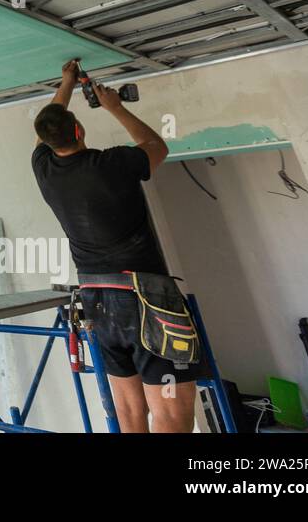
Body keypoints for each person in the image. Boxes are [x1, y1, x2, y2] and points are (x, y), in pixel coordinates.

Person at [31, 60, 208, 433]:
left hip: (98, 299)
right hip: (146, 299)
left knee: (129, 411)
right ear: (79, 130)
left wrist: (64, 84)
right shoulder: (111, 163)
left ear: (48, 142)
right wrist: (114, 106)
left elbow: (50, 128)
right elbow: (156, 146)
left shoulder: (45, 170)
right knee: (173, 415)